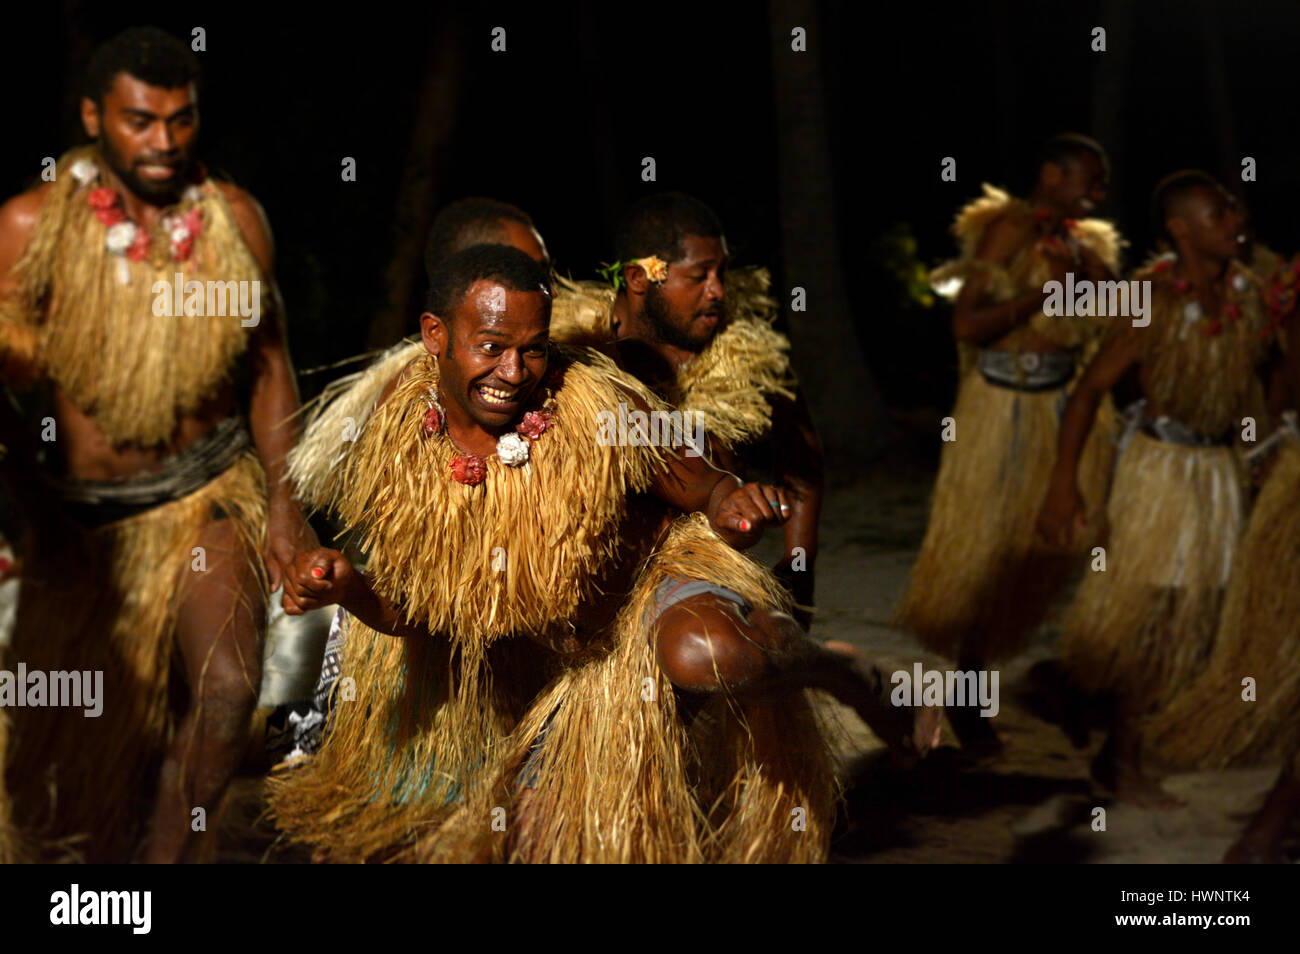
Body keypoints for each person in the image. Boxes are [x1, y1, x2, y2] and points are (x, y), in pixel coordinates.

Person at [269, 244, 935, 863]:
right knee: (530, 841)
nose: (513, 373)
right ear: (436, 335)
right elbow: (421, 616)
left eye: (532, 350)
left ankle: (839, 672)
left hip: (651, 594)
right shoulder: (401, 443)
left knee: (706, 654)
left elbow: (705, 486)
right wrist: (348, 587)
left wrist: (731, 502)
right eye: (492, 347)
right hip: (560, 668)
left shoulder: (593, 404)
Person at [0, 27, 316, 861]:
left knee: (227, 687)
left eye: (181, 120)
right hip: (83, 532)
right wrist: (25, 502)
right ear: (93, 115)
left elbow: (270, 368)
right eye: (141, 121)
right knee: (67, 765)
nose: (165, 142)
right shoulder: (31, 226)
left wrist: (285, 507)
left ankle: (161, 869)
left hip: (206, 495)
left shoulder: (233, 219)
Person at [1038, 171, 1274, 808]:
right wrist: (1064, 486)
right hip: (1162, 473)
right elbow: (1088, 392)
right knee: (1152, 618)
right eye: (1220, 210)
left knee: (1201, 615)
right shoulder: (1152, 300)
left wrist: (1259, 447)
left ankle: (1135, 747)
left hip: (1219, 470)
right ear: (1181, 228)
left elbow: (1258, 380)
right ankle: (1127, 763)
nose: (1235, 218)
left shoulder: (1248, 293)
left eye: (1231, 209)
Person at [894, 133, 1124, 751]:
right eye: (1090, 181)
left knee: (1046, 548)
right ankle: (967, 692)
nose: (1098, 195)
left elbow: (1116, 317)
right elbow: (965, 322)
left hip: (1058, 407)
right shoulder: (1008, 232)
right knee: (986, 552)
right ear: (1052, 174)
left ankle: (1033, 681)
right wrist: (1037, 296)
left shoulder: (1080, 242)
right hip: (1001, 409)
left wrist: (1092, 275)